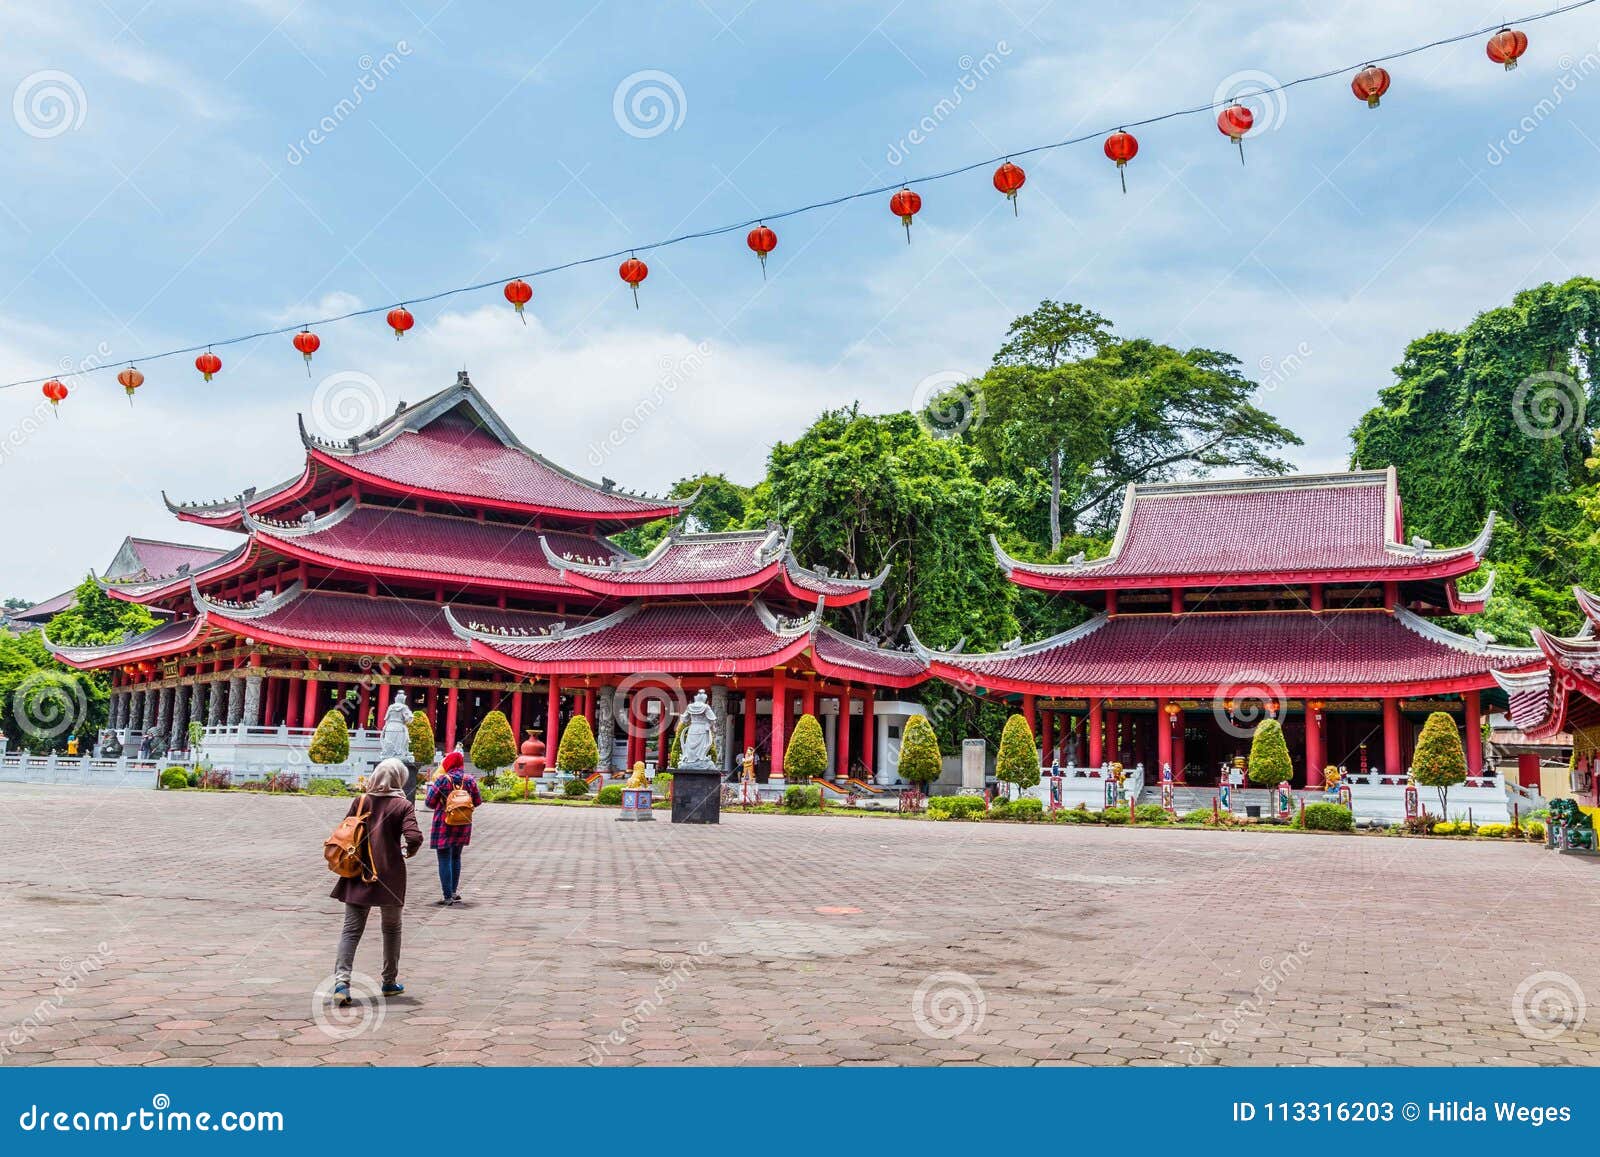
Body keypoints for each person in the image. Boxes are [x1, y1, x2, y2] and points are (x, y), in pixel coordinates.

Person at [330, 759, 422, 1006]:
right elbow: (414, 836)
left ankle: (341, 982)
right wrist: (408, 850)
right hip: (389, 876)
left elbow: (345, 832)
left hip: (357, 871)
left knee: (351, 930)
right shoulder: (402, 805)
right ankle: (389, 982)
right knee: (391, 929)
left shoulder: (361, 801)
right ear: (399, 779)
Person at [425, 750, 481, 905]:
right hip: (462, 823)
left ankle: (447, 895)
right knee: (456, 856)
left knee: (444, 858)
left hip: (443, 823)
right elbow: (477, 801)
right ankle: (454, 892)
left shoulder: (442, 780)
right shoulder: (469, 780)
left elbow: (429, 803)